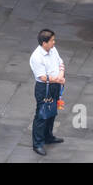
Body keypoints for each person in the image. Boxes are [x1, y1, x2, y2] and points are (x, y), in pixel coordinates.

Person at [29, 28, 66, 156]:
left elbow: (60, 62)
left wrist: (60, 75)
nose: (54, 42)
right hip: (44, 88)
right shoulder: (36, 57)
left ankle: (48, 136)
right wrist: (57, 79)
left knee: (52, 112)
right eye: (52, 40)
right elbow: (42, 77)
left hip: (55, 85)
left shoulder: (53, 50)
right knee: (42, 114)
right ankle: (37, 143)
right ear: (44, 43)